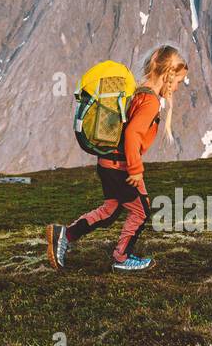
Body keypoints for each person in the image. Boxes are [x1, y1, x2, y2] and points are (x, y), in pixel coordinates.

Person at [47, 44, 189, 273]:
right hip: (122, 166)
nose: (178, 87)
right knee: (141, 211)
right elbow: (132, 134)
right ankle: (121, 257)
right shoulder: (151, 101)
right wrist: (135, 169)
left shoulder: (138, 92)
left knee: (111, 209)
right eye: (179, 81)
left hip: (108, 162)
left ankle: (66, 234)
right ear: (168, 76)